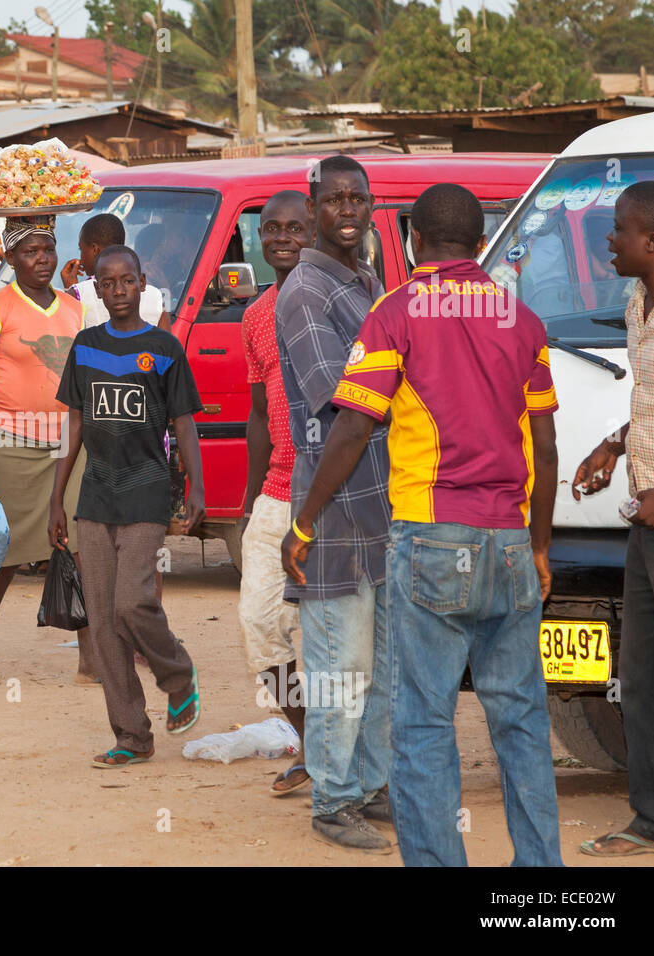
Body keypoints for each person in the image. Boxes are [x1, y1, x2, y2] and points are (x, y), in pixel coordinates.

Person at [284, 183, 563, 867]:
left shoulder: (395, 311)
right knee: (521, 721)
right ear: (477, 241)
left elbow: (352, 425)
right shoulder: (521, 319)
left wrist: (306, 521)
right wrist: (540, 545)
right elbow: (547, 445)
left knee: (424, 722)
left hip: (431, 536)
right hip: (508, 543)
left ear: (412, 240)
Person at [275, 155, 393, 854]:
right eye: (335, 199)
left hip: (379, 503)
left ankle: (371, 786)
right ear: (316, 205)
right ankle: (333, 800)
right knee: (338, 665)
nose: (348, 210)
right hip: (333, 506)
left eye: (359, 198)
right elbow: (344, 397)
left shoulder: (365, 279)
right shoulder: (306, 292)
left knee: (376, 663)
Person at [50, 245, 205, 767]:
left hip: (145, 489)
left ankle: (177, 673)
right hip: (95, 494)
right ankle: (132, 735)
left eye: (126, 282)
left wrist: (197, 490)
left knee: (131, 603)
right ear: (96, 287)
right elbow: (74, 426)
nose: (117, 291)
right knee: (102, 617)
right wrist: (56, 500)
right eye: (107, 283)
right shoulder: (86, 346)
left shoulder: (164, 347)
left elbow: (183, 423)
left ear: (143, 284)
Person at [0, 215, 94, 684]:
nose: (42, 259)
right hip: (7, 442)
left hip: (69, 445)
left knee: (83, 548)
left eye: (47, 249)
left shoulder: (76, 309)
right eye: (29, 251)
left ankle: (91, 659)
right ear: (9, 259)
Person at [573, 180, 654, 858]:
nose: (609, 240)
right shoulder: (639, 305)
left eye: (618, 229)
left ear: (653, 242)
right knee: (638, 674)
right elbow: (651, 400)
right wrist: (612, 445)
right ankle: (651, 818)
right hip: (646, 515)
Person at [238, 189, 314, 795]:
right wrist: (248, 501)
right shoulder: (256, 314)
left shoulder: (346, 300)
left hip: (334, 496)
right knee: (259, 623)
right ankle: (311, 741)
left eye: (295, 227)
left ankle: (344, 757)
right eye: (272, 230)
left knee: (328, 635)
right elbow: (259, 414)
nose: (283, 238)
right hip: (276, 491)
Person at [61, 213, 170, 330]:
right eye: (108, 284)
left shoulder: (78, 293)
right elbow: (167, 344)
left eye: (81, 249)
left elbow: (70, 339)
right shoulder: (156, 297)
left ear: (94, 249)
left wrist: (71, 290)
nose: (118, 292)